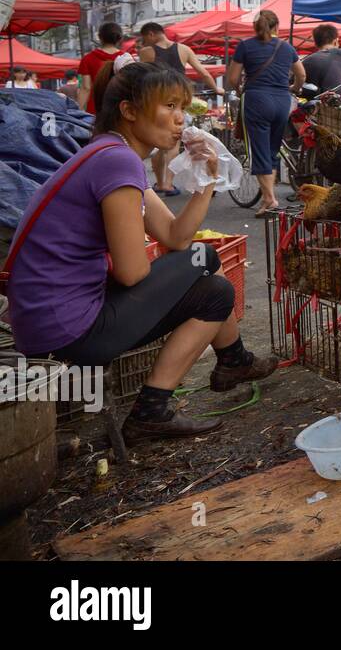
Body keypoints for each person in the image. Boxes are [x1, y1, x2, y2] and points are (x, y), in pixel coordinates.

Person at [3, 60, 277, 441]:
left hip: (47, 322)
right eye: (169, 106)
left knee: (213, 286)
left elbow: (175, 236)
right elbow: (132, 272)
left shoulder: (106, 152)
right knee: (207, 264)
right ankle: (226, 364)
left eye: (183, 107)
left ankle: (167, 401)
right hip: (69, 329)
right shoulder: (117, 161)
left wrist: (206, 179)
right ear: (129, 111)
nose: (180, 118)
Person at [227, 10, 306, 213]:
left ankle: (270, 199)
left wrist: (238, 89)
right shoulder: (286, 47)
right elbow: (301, 74)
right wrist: (294, 88)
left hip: (256, 100)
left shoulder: (245, 46)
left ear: (255, 28)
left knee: (259, 151)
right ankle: (267, 199)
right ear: (276, 27)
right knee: (271, 150)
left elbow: (233, 79)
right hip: (282, 102)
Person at [138, 22, 219, 196]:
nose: (144, 43)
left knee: (159, 142)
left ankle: (160, 183)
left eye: (145, 39)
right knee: (173, 141)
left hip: (157, 101)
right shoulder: (184, 49)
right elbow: (203, 73)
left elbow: (141, 77)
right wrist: (217, 89)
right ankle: (167, 183)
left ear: (151, 34)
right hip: (180, 100)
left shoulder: (146, 53)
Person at [77, 22, 124, 113]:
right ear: (119, 38)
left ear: (99, 37)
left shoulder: (88, 59)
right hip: (120, 108)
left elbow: (86, 87)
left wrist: (76, 111)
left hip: (96, 108)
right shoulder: (126, 58)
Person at [302, 24, 341, 94]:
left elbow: (300, 86)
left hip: (329, 102)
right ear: (335, 41)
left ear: (315, 43)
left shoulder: (310, 60)